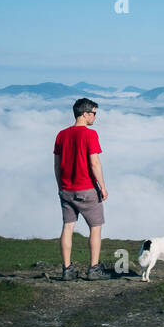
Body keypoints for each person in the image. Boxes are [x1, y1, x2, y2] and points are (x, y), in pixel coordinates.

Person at [54, 98, 112, 280]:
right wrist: (102, 187)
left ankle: (67, 270)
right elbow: (94, 163)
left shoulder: (61, 135)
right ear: (85, 114)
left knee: (67, 227)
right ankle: (94, 269)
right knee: (95, 228)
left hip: (65, 189)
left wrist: (60, 187)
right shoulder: (90, 135)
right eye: (94, 113)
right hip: (86, 188)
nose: (95, 117)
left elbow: (57, 165)